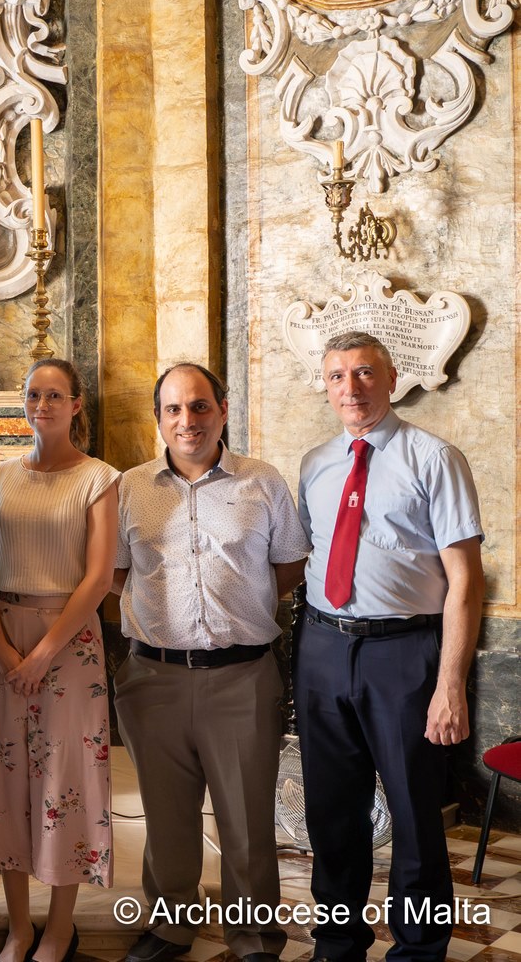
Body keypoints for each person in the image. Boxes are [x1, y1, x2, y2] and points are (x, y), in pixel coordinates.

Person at [295, 331, 482, 962]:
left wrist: (449, 683)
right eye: (337, 376)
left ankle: (420, 950)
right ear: (326, 385)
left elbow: (465, 581)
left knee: (415, 817)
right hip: (322, 647)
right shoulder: (315, 463)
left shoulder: (435, 458)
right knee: (331, 813)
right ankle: (338, 942)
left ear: (392, 376)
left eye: (365, 373)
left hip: (403, 655)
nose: (351, 387)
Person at [112, 364, 308, 962]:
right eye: (173, 409)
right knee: (167, 818)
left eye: (199, 407)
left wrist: (234, 609)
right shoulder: (129, 488)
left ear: (223, 409)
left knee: (247, 819)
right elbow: (115, 575)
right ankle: (172, 927)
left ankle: (253, 937)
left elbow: (289, 568)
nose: (187, 420)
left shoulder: (263, 482)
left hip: (242, 675)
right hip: (153, 677)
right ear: (158, 419)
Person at [0, 358, 118, 962]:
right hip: (4, 635)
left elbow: (100, 576)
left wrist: (44, 652)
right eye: (34, 394)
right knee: (4, 779)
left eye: (56, 395)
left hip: (71, 642)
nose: (43, 404)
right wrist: (2, 645)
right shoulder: (0, 477)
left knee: (68, 781)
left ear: (77, 404)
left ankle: (59, 927)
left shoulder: (99, 478)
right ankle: (19, 926)